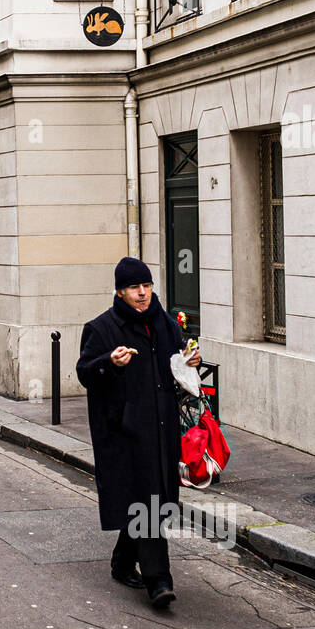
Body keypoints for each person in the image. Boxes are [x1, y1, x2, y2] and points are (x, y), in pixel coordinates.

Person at [76, 257, 201, 610]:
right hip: (125, 431)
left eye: (146, 285)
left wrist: (190, 362)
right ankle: (159, 580)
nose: (142, 293)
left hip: (163, 428)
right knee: (148, 500)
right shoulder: (102, 329)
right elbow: (85, 373)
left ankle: (121, 560)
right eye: (134, 287)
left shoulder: (165, 324)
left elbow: (176, 368)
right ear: (120, 291)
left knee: (157, 501)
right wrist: (108, 364)